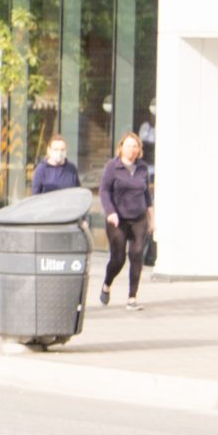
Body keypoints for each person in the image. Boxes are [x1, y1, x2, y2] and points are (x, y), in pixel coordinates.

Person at [97, 131, 155, 308]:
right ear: (121, 148)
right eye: (128, 146)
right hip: (118, 219)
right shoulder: (112, 167)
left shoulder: (143, 168)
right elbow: (104, 191)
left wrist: (152, 219)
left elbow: (146, 195)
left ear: (139, 149)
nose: (132, 149)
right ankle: (107, 285)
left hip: (138, 217)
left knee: (136, 254)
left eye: (135, 146)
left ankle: (132, 297)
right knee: (118, 258)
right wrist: (110, 212)